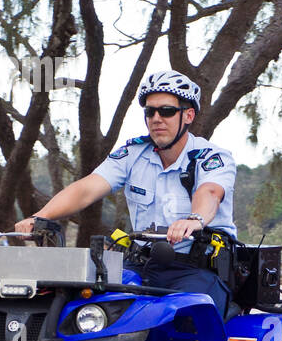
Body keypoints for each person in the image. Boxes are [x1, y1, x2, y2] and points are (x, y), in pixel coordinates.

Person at [16, 70, 238, 318]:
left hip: (197, 270)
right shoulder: (133, 153)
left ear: (188, 115)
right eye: (150, 112)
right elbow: (87, 188)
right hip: (142, 265)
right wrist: (41, 216)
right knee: (83, 305)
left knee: (185, 318)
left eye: (166, 111)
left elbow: (209, 192)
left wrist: (194, 220)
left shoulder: (211, 157)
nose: (156, 118)